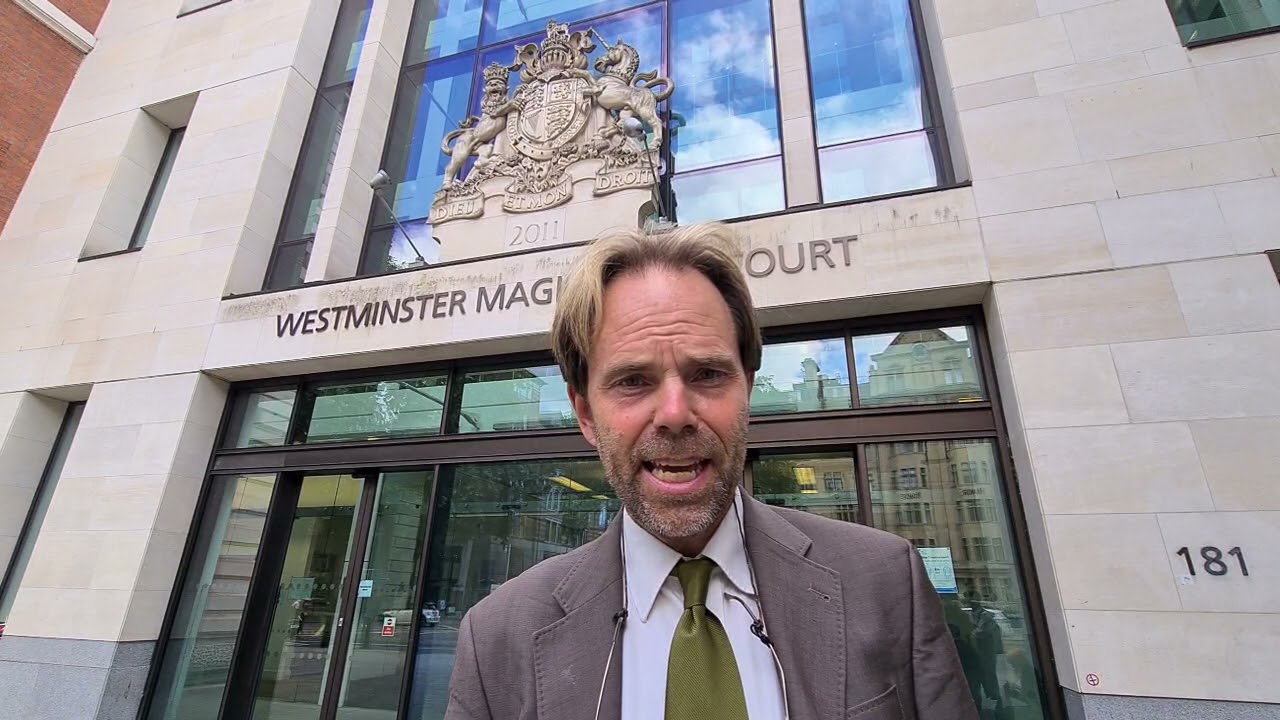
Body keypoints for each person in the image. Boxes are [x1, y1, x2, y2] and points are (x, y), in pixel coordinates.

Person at [444, 224, 979, 719]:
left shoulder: (886, 582)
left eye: (707, 374)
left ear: (746, 388)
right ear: (586, 413)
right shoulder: (496, 638)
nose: (675, 414)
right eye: (633, 380)